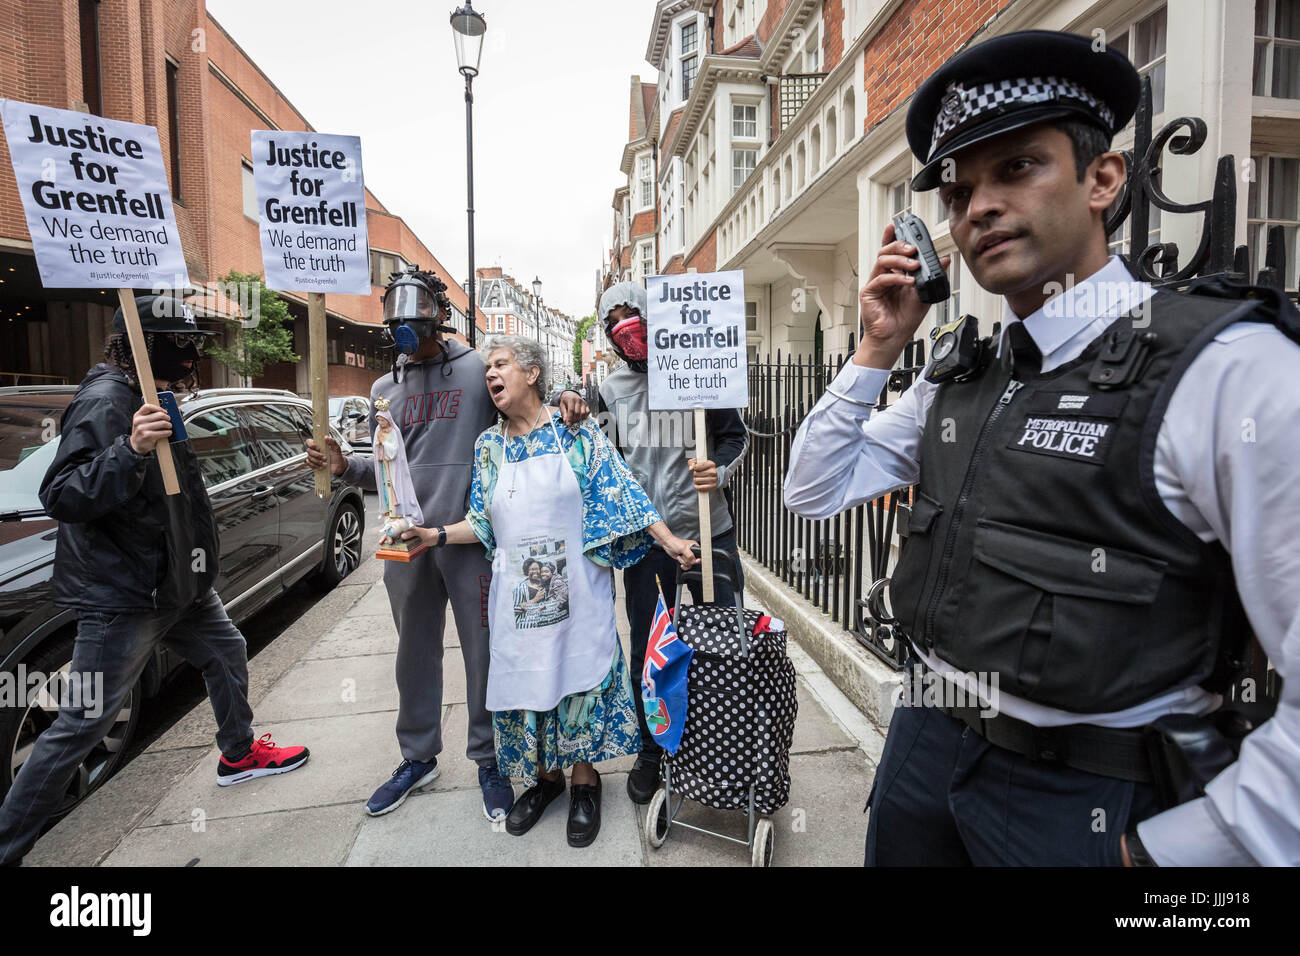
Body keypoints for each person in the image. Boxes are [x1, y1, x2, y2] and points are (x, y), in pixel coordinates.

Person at [784, 30, 1300, 866]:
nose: (977, 206)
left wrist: (1167, 855)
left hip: (1087, 798)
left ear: (1103, 179)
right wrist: (875, 349)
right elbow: (811, 489)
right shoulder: (960, 375)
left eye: (1018, 167)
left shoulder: (1225, 371)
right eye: (959, 193)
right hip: (925, 752)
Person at [0, 296, 309, 867]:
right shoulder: (105, 401)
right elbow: (63, 494)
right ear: (141, 344)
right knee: (84, 722)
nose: (192, 357)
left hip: (177, 580)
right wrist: (130, 447)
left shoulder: (151, 394)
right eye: (182, 344)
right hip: (127, 593)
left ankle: (237, 753)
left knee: (226, 651)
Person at [307, 267, 590, 823]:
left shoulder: (474, 370)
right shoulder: (383, 387)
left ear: (438, 313)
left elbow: (529, 410)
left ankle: (488, 760)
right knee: (414, 655)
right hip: (405, 544)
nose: (405, 331)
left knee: (484, 654)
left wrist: (571, 398)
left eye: (415, 318)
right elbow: (386, 469)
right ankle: (418, 756)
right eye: (396, 323)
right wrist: (346, 465)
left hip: (471, 542)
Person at [411, 336, 698, 848]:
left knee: (577, 680)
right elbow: (482, 521)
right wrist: (433, 536)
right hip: (518, 600)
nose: (491, 376)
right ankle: (546, 781)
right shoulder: (488, 447)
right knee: (529, 684)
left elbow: (623, 491)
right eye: (487, 369)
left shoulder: (576, 433)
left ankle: (585, 783)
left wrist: (670, 540)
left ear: (533, 373)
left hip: (578, 592)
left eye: (500, 365)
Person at [593, 281, 750, 805]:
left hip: (709, 531)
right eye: (613, 319)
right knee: (649, 649)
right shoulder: (610, 388)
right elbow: (607, 462)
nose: (625, 326)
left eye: (632, 314)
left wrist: (720, 471)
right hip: (647, 542)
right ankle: (653, 748)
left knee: (722, 638)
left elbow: (735, 437)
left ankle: (718, 740)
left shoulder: (699, 369)